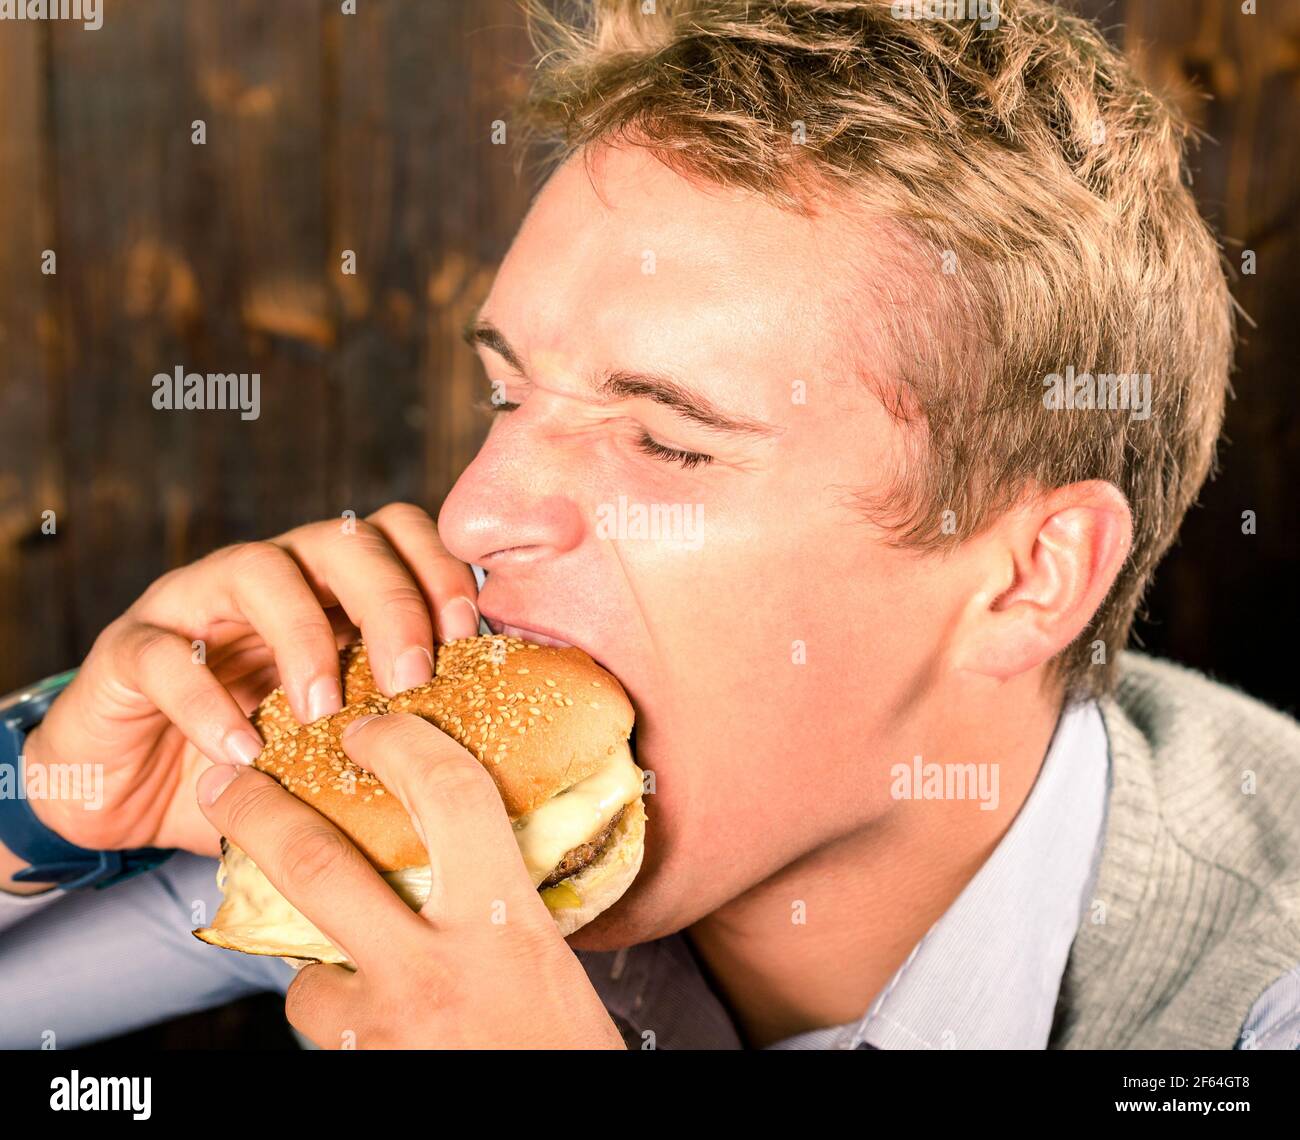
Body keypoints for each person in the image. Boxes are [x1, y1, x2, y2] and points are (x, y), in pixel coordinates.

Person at [2, 0, 1298, 1050]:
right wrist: (46, 803)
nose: (475, 511)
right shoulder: (442, 807)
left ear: (1028, 579)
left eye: (668, 439)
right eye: (508, 393)